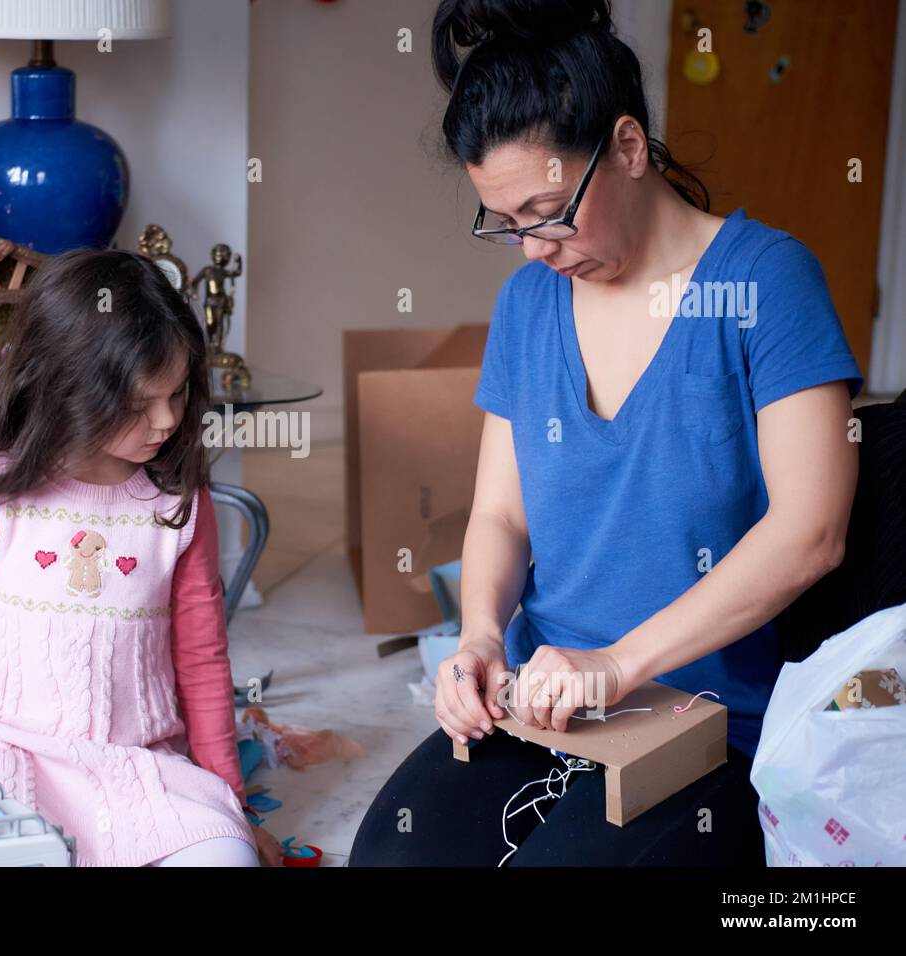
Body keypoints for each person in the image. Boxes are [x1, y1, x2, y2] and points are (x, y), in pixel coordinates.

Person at [350, 0, 862, 866]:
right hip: (541, 703)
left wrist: (618, 665)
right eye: (504, 222)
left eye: (547, 210)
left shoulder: (769, 282)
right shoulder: (528, 303)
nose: (530, 248)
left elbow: (811, 532)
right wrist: (478, 635)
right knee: (390, 858)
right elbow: (501, 518)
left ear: (629, 147)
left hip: (708, 722)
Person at [0, 248, 283, 867]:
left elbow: (202, 653)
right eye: (140, 403)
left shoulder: (179, 502)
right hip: (4, 746)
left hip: (138, 755)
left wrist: (228, 796)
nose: (166, 420)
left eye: (178, 394)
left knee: (226, 857)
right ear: (68, 388)